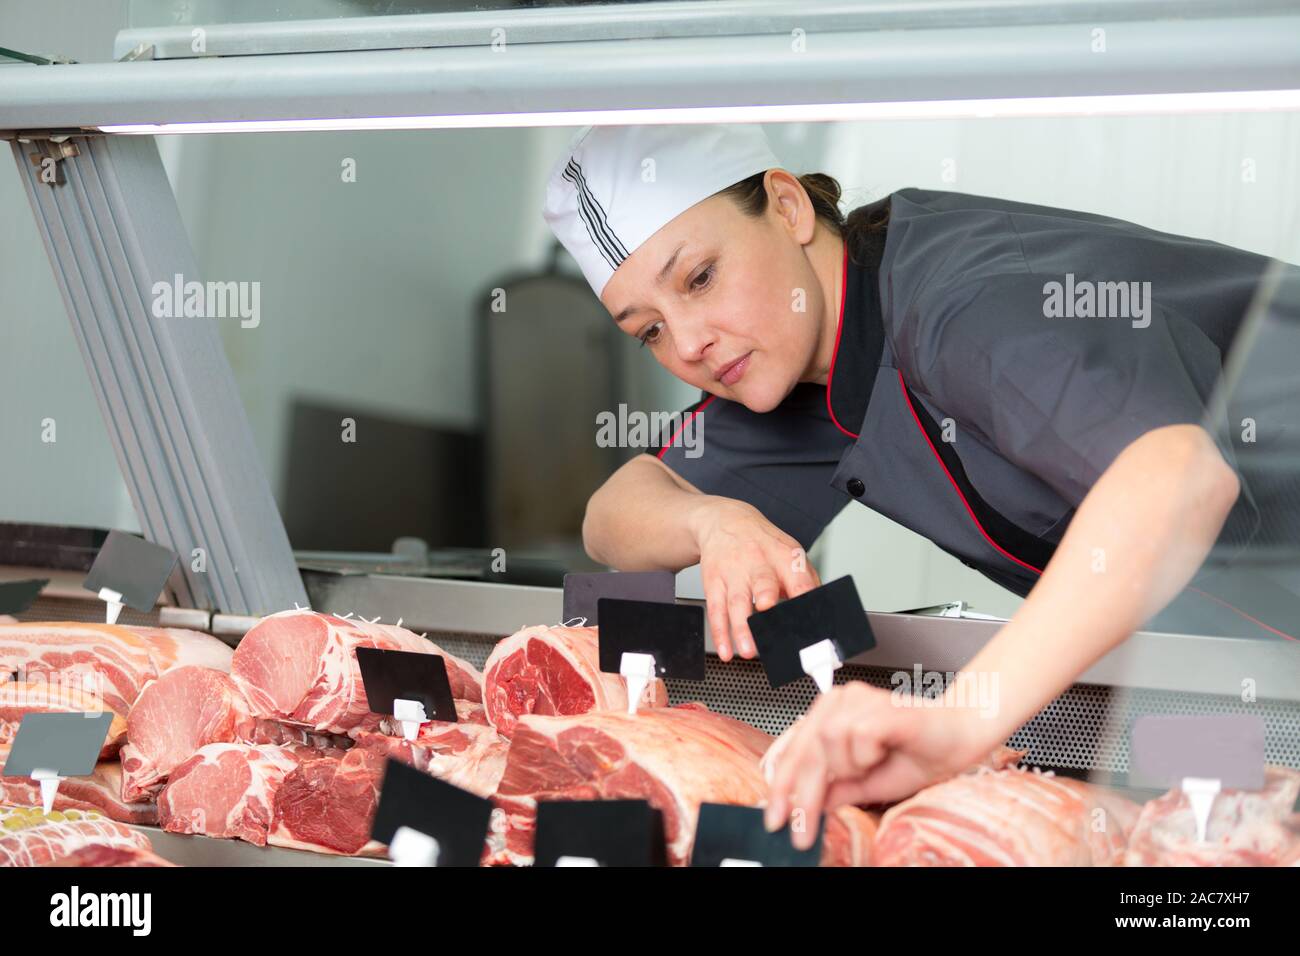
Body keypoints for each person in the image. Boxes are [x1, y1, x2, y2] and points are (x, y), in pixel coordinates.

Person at [541, 122, 1296, 849]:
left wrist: (964, 722)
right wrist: (713, 522)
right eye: (649, 331)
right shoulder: (790, 364)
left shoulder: (963, 300)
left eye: (700, 278)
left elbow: (1180, 478)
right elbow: (613, 517)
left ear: (788, 205)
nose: (691, 343)